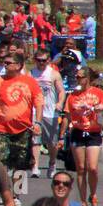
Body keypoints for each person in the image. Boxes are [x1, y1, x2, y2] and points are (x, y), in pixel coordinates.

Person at [0, 50, 42, 181]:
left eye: (8, 63)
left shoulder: (30, 82)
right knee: (0, 162)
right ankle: (2, 194)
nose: (5, 65)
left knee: (20, 164)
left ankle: (17, 196)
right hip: (0, 129)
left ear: (19, 65)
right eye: (4, 63)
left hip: (23, 129)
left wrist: (38, 123)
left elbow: (39, 103)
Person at [63, 66, 103, 206]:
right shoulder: (73, 95)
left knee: (92, 167)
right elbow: (67, 116)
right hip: (78, 132)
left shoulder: (98, 93)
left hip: (93, 132)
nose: (77, 79)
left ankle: (93, 193)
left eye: (80, 77)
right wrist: (61, 136)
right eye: (76, 77)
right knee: (81, 168)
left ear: (87, 79)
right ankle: (83, 201)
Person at [28, 47, 65, 179]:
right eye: (38, 60)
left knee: (51, 143)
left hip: (51, 111)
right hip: (35, 111)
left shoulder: (54, 74)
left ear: (48, 60)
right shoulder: (31, 73)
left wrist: (60, 103)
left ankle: (52, 163)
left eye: (44, 60)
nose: (41, 63)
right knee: (35, 140)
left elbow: (61, 91)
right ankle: (35, 167)